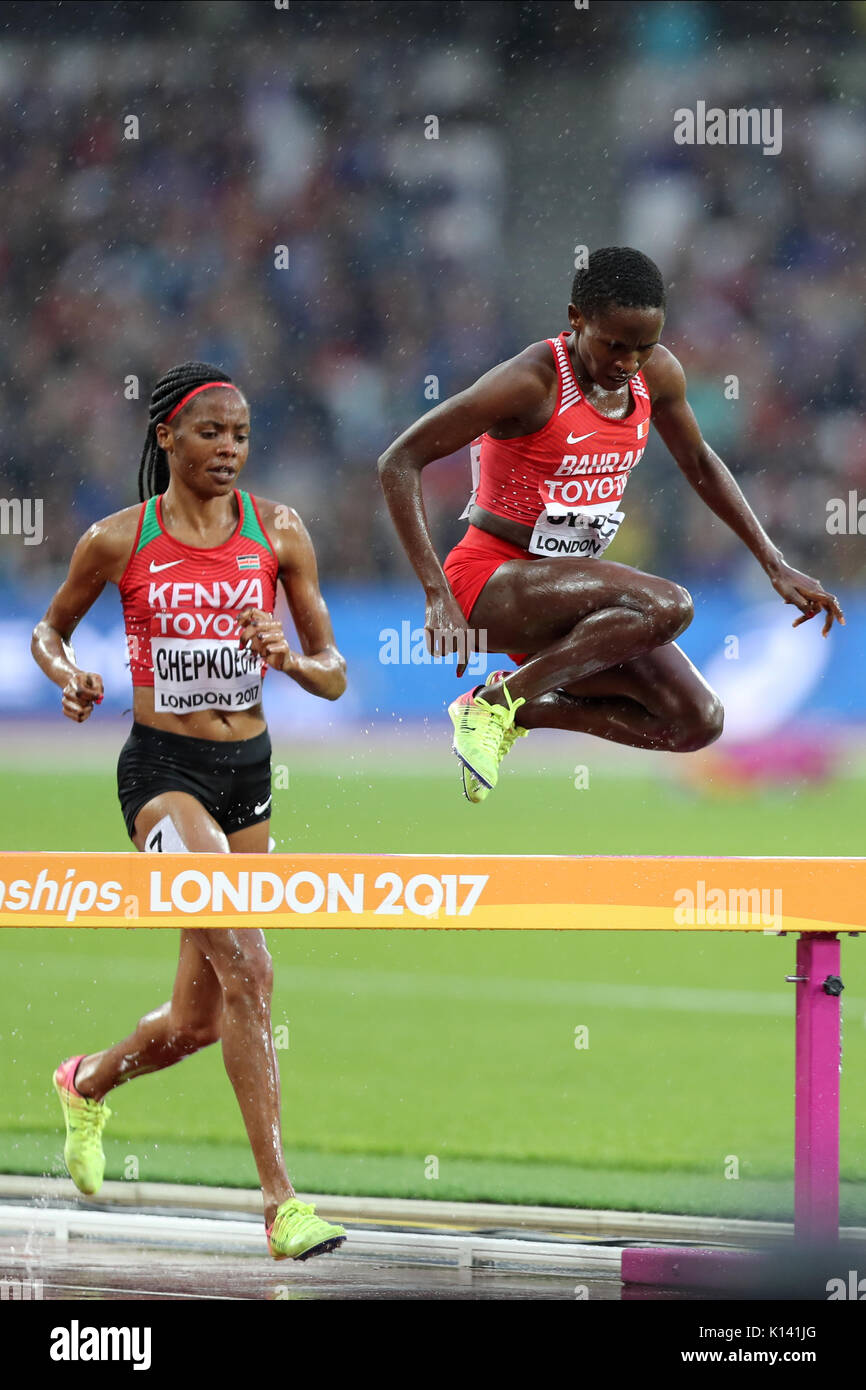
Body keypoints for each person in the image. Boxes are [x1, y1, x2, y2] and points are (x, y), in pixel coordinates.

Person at [32, 361, 348, 1261]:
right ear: (166, 437)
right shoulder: (117, 540)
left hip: (248, 772)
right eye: (211, 433)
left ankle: (86, 1082)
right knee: (251, 967)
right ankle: (283, 1204)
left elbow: (335, 674)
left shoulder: (280, 533)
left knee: (202, 1019)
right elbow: (48, 630)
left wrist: (287, 659)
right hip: (163, 773)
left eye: (242, 435)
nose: (229, 450)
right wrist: (71, 675)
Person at [378, 246, 844, 802]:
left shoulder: (659, 376)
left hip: (580, 608)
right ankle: (500, 707)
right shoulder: (531, 382)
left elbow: (699, 462)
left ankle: (510, 707)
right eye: (614, 344)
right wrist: (435, 594)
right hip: (490, 583)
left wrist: (774, 562)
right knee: (670, 605)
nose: (628, 362)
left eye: (643, 347)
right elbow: (398, 461)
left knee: (698, 721)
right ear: (576, 318)